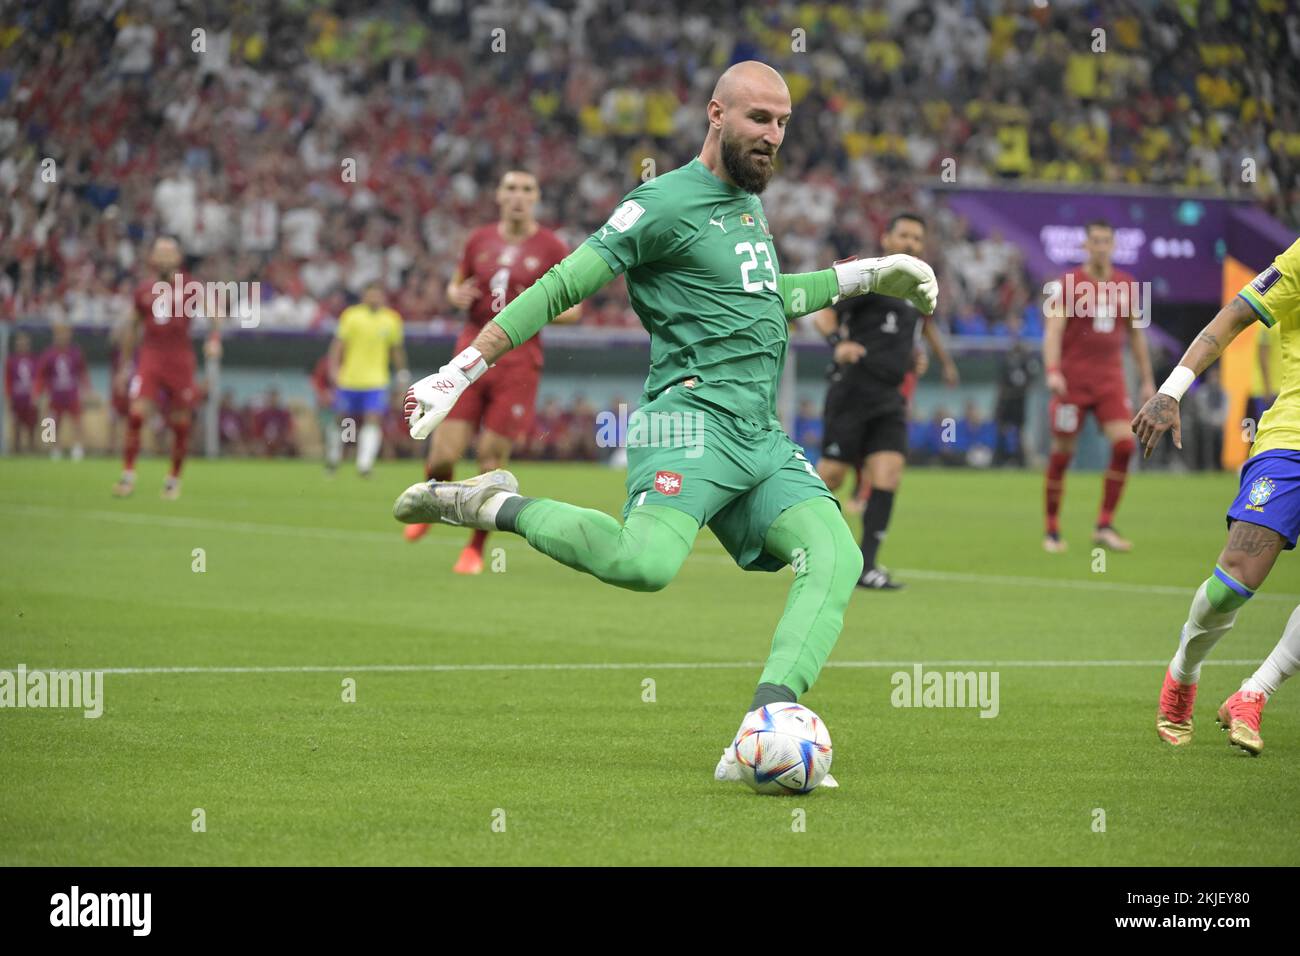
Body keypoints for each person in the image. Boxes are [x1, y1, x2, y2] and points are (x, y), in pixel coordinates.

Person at [394, 61, 937, 786]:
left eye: (782, 123)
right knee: (643, 566)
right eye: (758, 120)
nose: (772, 136)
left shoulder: (748, 201)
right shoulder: (659, 203)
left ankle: (767, 722)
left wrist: (872, 271)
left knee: (835, 557)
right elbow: (561, 284)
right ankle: (491, 502)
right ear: (716, 114)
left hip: (758, 436)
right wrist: (460, 370)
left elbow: (766, 297)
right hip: (683, 423)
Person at [1136, 238, 1299, 755]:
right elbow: (1232, 317)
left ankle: (1253, 694)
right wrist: (1171, 391)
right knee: (1234, 579)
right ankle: (1183, 672)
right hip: (1292, 443)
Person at [402, 170, 581, 575]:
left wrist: (534, 305)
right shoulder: (478, 240)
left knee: (490, 459)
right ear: (499, 196)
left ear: (536, 198)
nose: (518, 196)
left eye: (527, 189)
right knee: (444, 453)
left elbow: (575, 310)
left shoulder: (551, 245)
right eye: (511, 189)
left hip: (519, 360)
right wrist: (454, 294)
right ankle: (431, 506)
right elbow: (455, 285)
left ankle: (475, 548)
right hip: (470, 351)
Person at [811, 213, 958, 590]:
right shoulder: (868, 280)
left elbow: (915, 331)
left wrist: (917, 357)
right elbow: (823, 314)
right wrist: (837, 344)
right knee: (832, 476)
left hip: (890, 396)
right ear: (887, 239)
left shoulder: (919, 290)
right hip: (853, 388)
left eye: (917, 238)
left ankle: (868, 567)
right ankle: (802, 546)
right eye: (904, 236)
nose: (911, 244)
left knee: (888, 474)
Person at [1042, 219, 1155, 552]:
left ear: (1113, 246)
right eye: (1096, 241)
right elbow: (1054, 331)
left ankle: (1104, 524)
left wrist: (1147, 380)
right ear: (1085, 246)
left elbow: (1137, 336)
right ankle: (1052, 529)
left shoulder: (1127, 285)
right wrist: (1052, 370)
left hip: (1110, 381)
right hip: (1072, 382)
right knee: (1062, 454)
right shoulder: (1069, 284)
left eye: (1107, 240)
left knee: (1124, 445)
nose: (1101, 246)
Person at [113, 236, 219, 500]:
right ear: (152, 258)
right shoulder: (143, 290)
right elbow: (133, 326)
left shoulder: (191, 286)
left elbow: (214, 314)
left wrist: (214, 340)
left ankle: (173, 479)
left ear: (177, 258)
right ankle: (128, 475)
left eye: (168, 253)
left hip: (180, 357)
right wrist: (125, 365)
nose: (163, 257)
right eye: (159, 252)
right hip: (151, 355)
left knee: (181, 422)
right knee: (137, 414)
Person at [325, 281, 407, 478]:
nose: (375, 298)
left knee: (373, 419)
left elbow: (396, 350)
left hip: (376, 381)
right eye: (371, 294)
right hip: (349, 379)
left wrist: (402, 374)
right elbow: (338, 345)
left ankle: (364, 465)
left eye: (378, 294)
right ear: (364, 296)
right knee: (343, 420)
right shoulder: (351, 316)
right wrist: (333, 369)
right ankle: (334, 459)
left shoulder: (391, 319)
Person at [37, 322, 90, 460]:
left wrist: (87, 389)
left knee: (78, 422)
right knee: (52, 423)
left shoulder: (75, 352)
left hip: (72, 393)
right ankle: (55, 449)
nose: (62, 337)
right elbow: (41, 375)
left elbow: (82, 372)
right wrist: (39, 392)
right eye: (59, 334)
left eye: (65, 334)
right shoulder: (48, 354)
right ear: (55, 336)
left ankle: (78, 448)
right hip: (55, 395)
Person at [4, 331, 39, 454]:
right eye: (20, 343)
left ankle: (32, 449)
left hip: (30, 398)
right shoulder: (11, 361)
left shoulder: (34, 360)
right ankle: (16, 450)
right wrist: (8, 398)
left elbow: (37, 379)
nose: (22, 346)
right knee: (16, 425)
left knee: (32, 426)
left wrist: (37, 395)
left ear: (28, 345)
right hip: (16, 398)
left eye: (25, 343)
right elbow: (8, 381)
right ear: (16, 345)